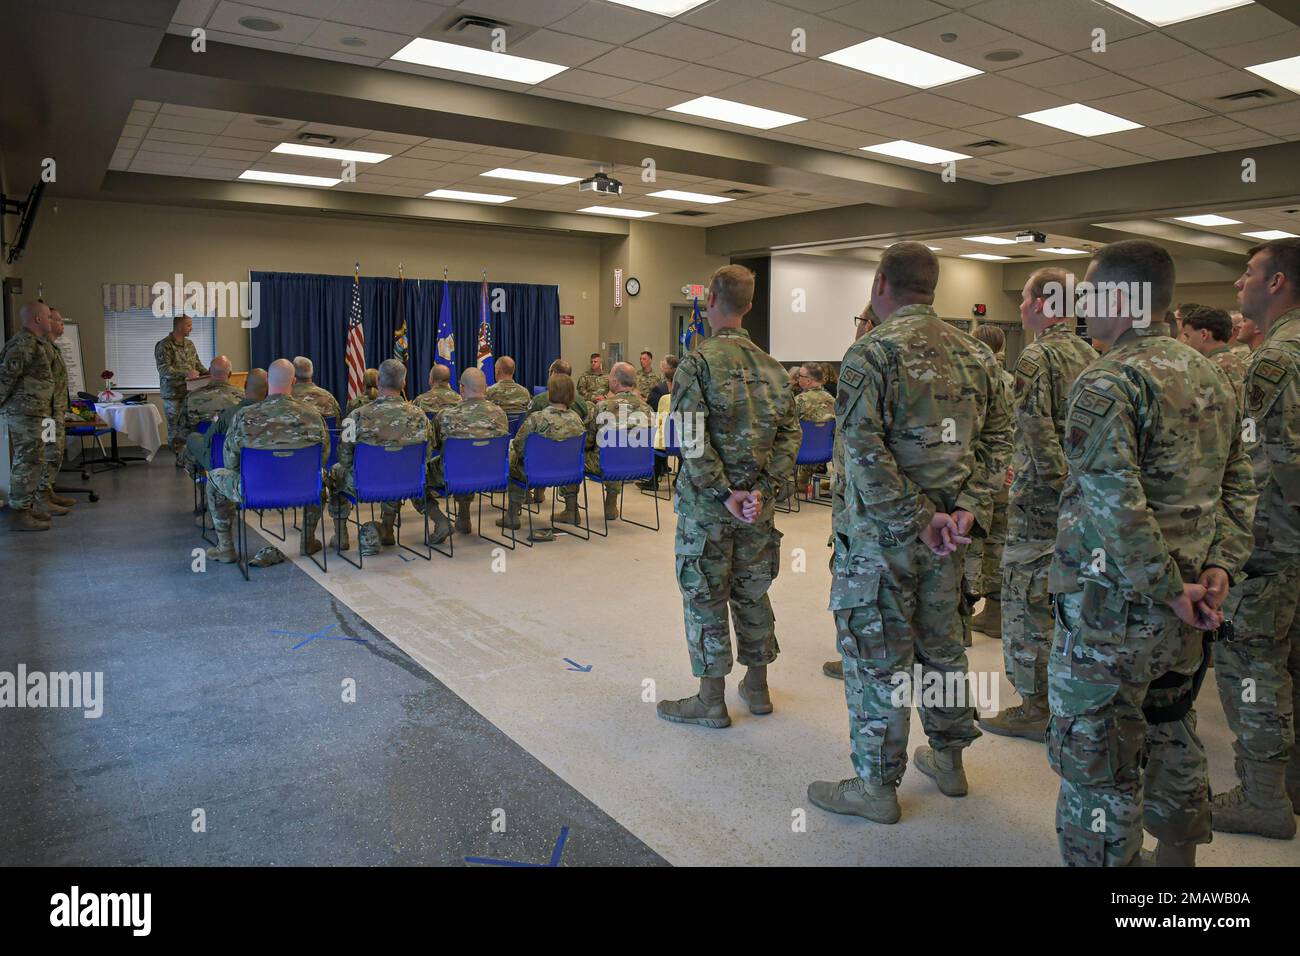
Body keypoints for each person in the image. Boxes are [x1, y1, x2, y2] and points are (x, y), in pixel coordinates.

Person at [1046, 240, 1254, 867]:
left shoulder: (1107, 379)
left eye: (1088, 291)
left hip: (1115, 611)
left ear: (1118, 297)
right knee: (1170, 726)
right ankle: (1175, 866)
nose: (1081, 304)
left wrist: (1165, 586)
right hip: (1189, 607)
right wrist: (1218, 568)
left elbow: (1115, 505)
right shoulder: (1212, 371)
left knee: (1097, 757)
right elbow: (1240, 482)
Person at [807, 242, 1012, 825]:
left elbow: (863, 451)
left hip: (882, 542)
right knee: (942, 649)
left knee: (878, 658)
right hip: (950, 540)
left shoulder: (869, 355)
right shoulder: (979, 355)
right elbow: (1002, 442)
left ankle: (875, 787)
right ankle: (949, 763)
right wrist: (966, 509)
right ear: (933, 287)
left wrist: (917, 520)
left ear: (879, 283)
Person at [657, 265, 800, 729]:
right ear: (751, 305)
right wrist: (761, 491)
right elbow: (790, 436)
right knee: (752, 592)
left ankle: (710, 699)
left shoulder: (696, 365)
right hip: (757, 511)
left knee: (705, 594)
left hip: (707, 510)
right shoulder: (776, 369)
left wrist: (724, 493)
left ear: (711, 298)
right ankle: (757, 688)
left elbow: (692, 439)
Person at [978, 268, 1097, 742]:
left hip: (1040, 506)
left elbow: (1034, 428)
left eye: (1026, 299)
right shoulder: (1091, 353)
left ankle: (1034, 703)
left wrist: (1056, 483)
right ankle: (1068, 695)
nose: (1022, 308)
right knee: (1068, 601)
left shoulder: (1037, 356)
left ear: (1044, 304)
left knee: (1025, 601)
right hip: (1084, 504)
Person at [1212, 237, 1300, 839]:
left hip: (1270, 543)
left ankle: (1263, 798)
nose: (1238, 286)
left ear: (1277, 283)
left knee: (1254, 668)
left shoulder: (1275, 360)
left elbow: (1263, 462)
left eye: (1248, 274)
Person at [204, 359, 328, 563]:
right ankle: (307, 540)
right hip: (303, 488)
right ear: (294, 381)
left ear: (268, 380)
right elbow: (322, 459)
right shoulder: (314, 417)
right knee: (321, 478)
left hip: (254, 489)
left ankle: (225, 548)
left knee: (215, 478)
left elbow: (230, 462)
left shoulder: (244, 416)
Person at [330, 359, 432, 552]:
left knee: (336, 472)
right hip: (406, 480)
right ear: (403, 383)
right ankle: (387, 529)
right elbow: (425, 457)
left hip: (365, 482)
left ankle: (341, 535)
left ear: (377, 381)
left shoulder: (355, 417)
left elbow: (344, 458)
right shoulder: (421, 417)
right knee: (394, 467)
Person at [965, 324, 1017, 640]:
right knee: (999, 542)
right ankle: (994, 616)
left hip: (977, 476)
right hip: (1009, 475)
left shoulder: (972, 378)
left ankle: (963, 619)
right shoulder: (1014, 380)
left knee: (969, 543)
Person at [429, 367, 508, 541]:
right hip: (492, 474)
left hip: (454, 474)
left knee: (420, 473)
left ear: (462, 388)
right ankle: (463, 517)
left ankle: (440, 520)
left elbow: (433, 445)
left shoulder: (446, 416)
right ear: (486, 388)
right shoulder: (500, 414)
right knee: (470, 459)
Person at [502, 372, 586, 529]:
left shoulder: (536, 418)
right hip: (568, 473)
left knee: (512, 455)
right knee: (569, 460)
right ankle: (571, 510)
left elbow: (520, 447)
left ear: (549, 394)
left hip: (536, 473)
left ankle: (512, 515)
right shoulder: (577, 420)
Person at [1, 302, 56, 531]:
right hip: (25, 413)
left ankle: (27, 505)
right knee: (26, 461)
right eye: (47, 316)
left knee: (35, 460)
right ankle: (18, 513)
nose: (51, 321)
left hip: (37, 412)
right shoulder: (23, 344)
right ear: (37, 319)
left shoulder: (36, 343)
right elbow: (4, 378)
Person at [187, 368, 267, 504]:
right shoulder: (273, 417)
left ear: (245, 385)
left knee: (191, 441)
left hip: (227, 469)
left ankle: (205, 494)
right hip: (266, 474)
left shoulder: (230, 414)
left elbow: (209, 440)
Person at [586, 362, 653, 520]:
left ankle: (571, 509)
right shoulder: (647, 409)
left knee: (576, 456)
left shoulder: (603, 407)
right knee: (616, 449)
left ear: (615, 382)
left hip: (606, 464)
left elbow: (588, 441)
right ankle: (611, 503)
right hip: (640, 464)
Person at [36, 308, 76, 517]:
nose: (62, 324)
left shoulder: (52, 347)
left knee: (55, 453)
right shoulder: (39, 347)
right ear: (47, 321)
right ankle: (41, 498)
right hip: (45, 415)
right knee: (47, 454)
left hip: (55, 412)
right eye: (59, 320)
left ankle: (48, 491)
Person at [154, 314, 208, 463]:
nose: (191, 328)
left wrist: (212, 373)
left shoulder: (190, 344)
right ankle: (179, 458)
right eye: (188, 325)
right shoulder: (164, 345)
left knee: (191, 426)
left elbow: (197, 365)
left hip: (191, 394)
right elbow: (164, 370)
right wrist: (186, 373)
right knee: (176, 428)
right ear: (179, 326)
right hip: (173, 394)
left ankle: (190, 456)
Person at [1178, 305, 1247, 417]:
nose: (1185, 342)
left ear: (1204, 334)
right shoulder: (1243, 364)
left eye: (1187, 336)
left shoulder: (1205, 370)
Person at [177, 355, 243, 471]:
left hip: (203, 454)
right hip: (235, 455)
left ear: (209, 372)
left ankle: (201, 483)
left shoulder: (192, 397)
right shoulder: (243, 397)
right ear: (230, 374)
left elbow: (183, 431)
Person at [793, 364, 835, 492]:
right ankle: (802, 481)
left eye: (799, 376)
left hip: (801, 453)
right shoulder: (832, 400)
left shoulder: (799, 401)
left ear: (808, 380)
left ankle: (779, 487)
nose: (797, 378)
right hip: (827, 452)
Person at [639, 354, 678, 492]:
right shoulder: (685, 390)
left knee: (654, 434)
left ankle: (653, 479)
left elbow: (651, 410)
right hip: (682, 440)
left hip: (663, 440)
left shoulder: (659, 390)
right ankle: (678, 478)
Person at [291, 356, 341, 422]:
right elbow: (337, 426)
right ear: (311, 372)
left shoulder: (288, 396)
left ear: (293, 373)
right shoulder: (328, 397)